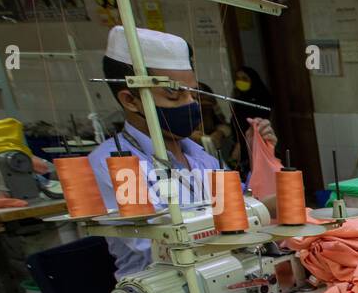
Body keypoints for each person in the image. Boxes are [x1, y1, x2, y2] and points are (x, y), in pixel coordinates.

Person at [87, 27, 276, 277]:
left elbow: (244, 204)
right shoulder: (115, 164)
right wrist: (252, 214)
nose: (190, 103)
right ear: (130, 100)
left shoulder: (201, 156)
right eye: (175, 94)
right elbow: (159, 243)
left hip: (222, 274)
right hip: (161, 292)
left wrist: (260, 157)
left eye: (193, 92)